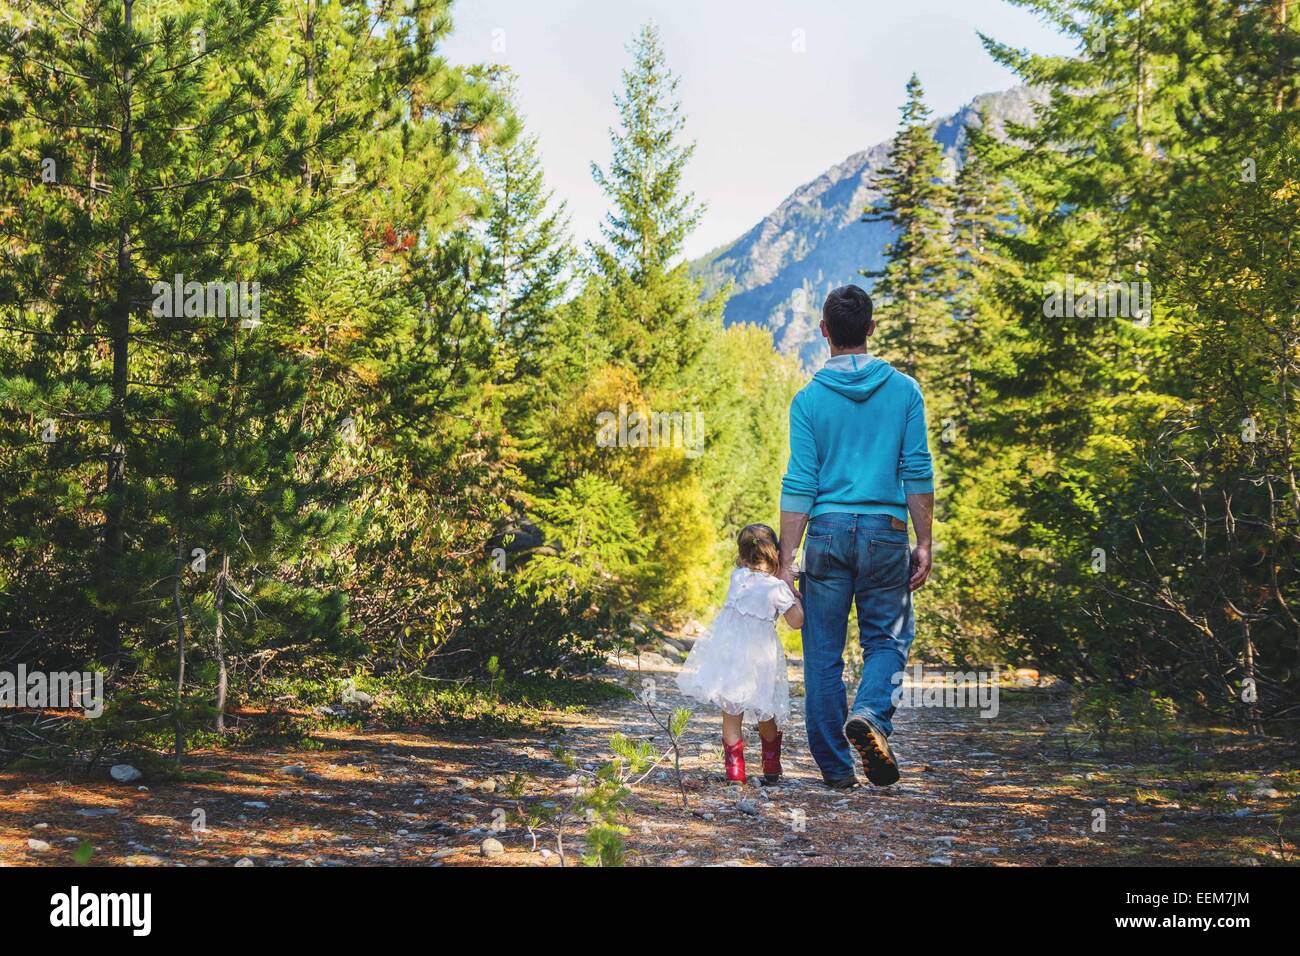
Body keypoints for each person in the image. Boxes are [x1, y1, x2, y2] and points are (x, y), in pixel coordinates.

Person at [778, 284, 935, 789]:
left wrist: (787, 558)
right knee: (886, 640)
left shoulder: (808, 400)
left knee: (822, 650)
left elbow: (799, 481)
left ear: (824, 332)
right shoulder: (905, 391)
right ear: (871, 329)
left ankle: (836, 770)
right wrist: (924, 540)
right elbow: (918, 470)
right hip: (885, 532)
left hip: (825, 533)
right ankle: (870, 713)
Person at [676, 524, 803, 784]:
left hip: (731, 656)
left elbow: (753, 571)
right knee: (765, 711)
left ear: (743, 556)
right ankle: (771, 766)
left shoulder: (738, 578)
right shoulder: (777, 589)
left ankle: (735, 772)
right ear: (775, 553)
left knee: (731, 715)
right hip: (760, 661)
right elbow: (797, 621)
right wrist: (794, 594)